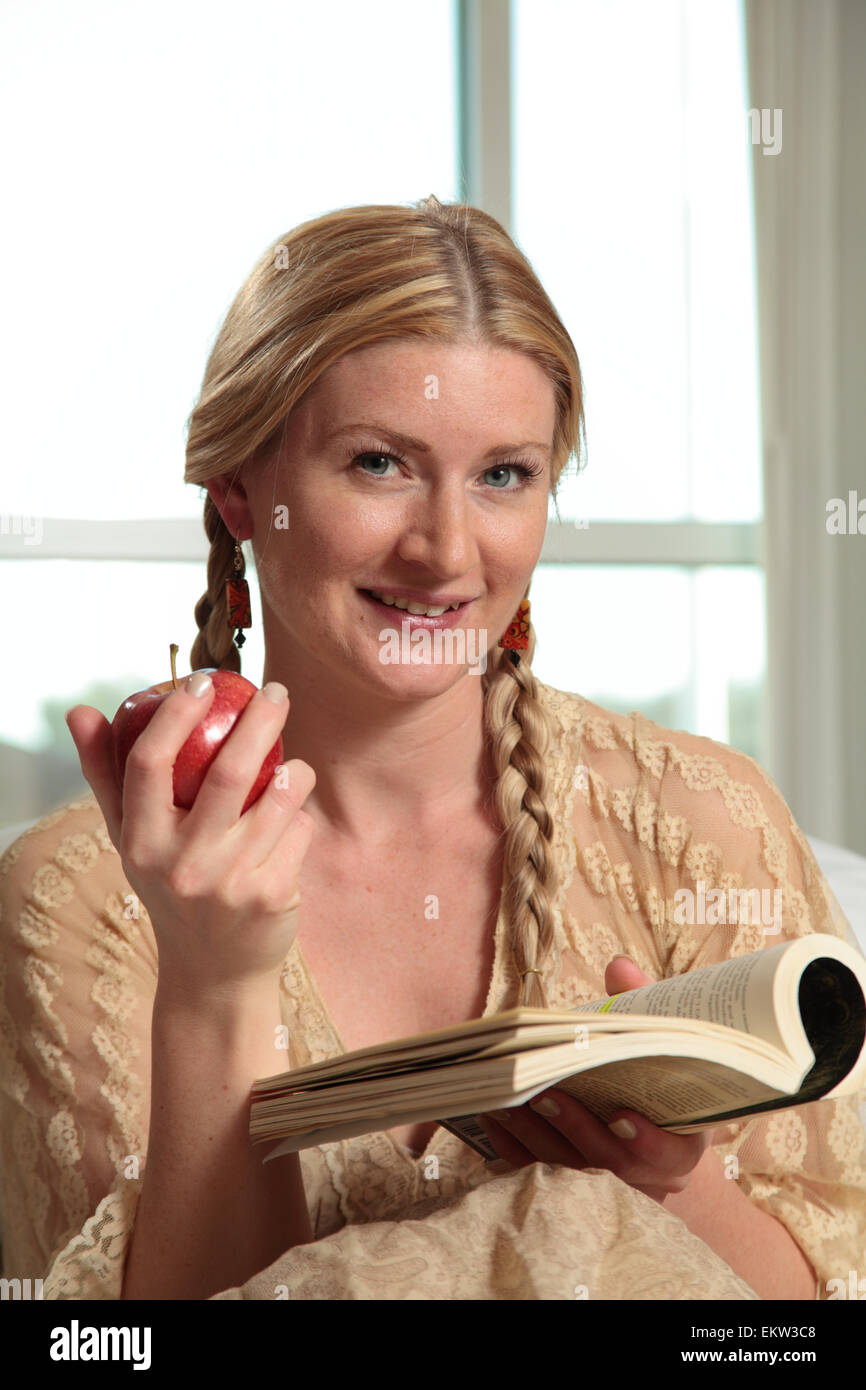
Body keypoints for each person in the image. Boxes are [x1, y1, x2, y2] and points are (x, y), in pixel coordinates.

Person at [1, 196, 864, 1302]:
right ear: (236, 488)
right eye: (377, 464)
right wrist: (215, 986)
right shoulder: (77, 899)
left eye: (503, 475)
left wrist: (669, 1185)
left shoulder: (704, 823)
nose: (446, 549)